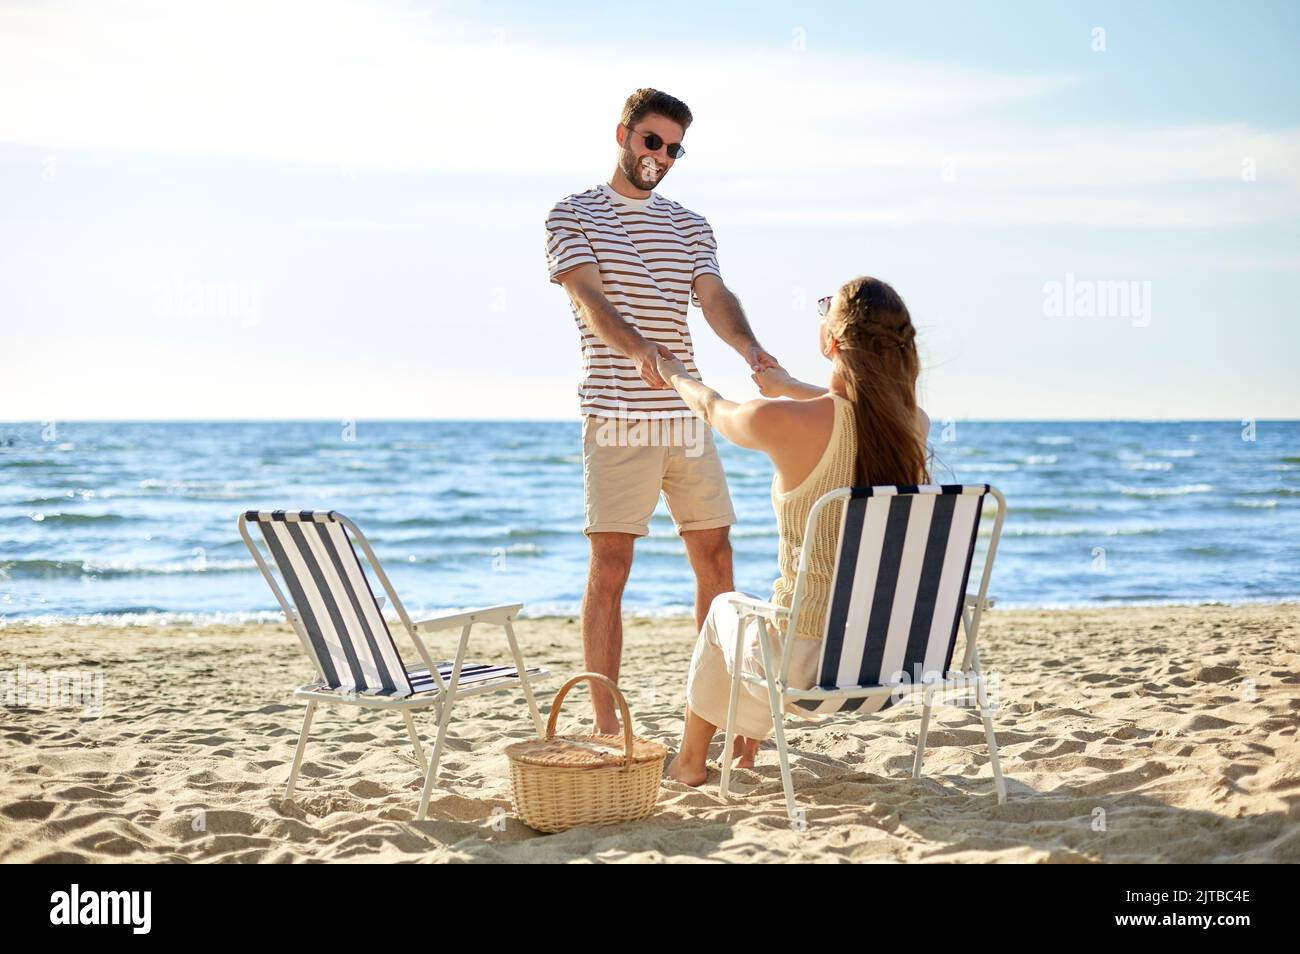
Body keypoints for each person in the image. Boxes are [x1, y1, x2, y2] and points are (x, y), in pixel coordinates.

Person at [544, 88, 777, 735]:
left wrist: (751, 348)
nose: (662, 156)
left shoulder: (690, 224)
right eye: (652, 141)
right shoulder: (573, 213)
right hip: (617, 414)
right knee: (612, 567)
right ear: (623, 133)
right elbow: (591, 300)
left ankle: (706, 718)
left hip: (686, 416)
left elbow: (713, 295)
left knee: (718, 561)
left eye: (674, 148)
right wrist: (641, 348)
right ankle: (606, 727)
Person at [657, 277, 932, 785]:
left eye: (825, 309)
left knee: (725, 609)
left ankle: (691, 763)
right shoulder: (914, 424)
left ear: (831, 342)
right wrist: (787, 385)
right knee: (764, 617)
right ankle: (742, 752)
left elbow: (716, 410)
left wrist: (675, 376)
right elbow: (859, 413)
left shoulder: (778, 421)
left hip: (810, 671)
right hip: (894, 664)